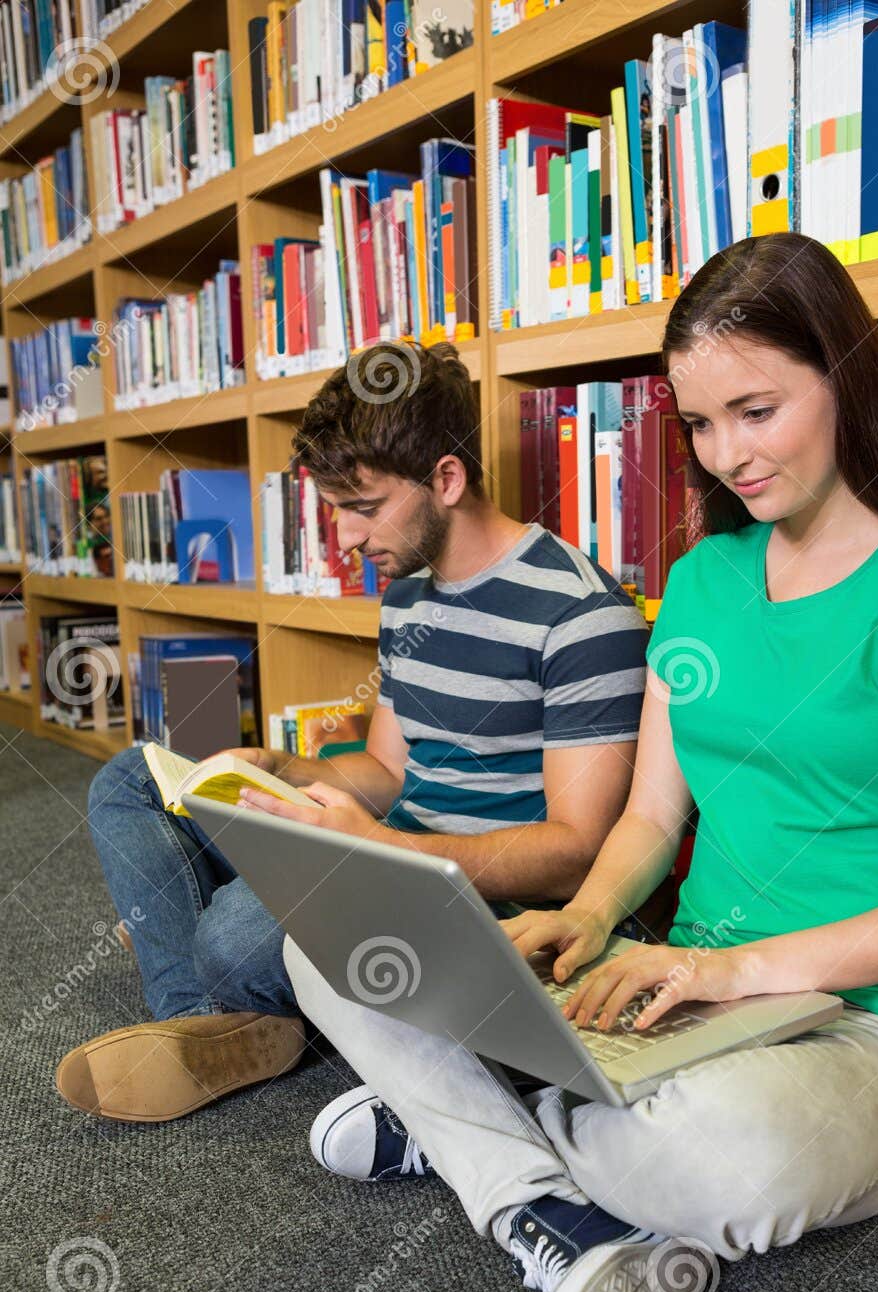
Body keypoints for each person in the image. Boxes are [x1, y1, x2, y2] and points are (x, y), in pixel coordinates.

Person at [279, 232, 878, 1292]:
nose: (725, 454)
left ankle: (465, 1128)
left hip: (867, 1034)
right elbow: (645, 821)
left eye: (755, 409)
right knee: (325, 935)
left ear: (839, 374)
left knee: (727, 1155)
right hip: (673, 993)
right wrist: (585, 920)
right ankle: (554, 1209)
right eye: (696, 423)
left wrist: (735, 975)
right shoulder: (700, 583)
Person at [56, 342, 649, 1124]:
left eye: (363, 508)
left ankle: (204, 1001)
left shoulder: (577, 612)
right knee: (132, 777)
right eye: (336, 509)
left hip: (474, 894)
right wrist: (283, 769)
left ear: (446, 478)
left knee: (234, 934)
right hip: (384, 845)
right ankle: (209, 1013)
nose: (342, 538)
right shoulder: (408, 595)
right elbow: (386, 770)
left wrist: (385, 849)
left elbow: (575, 850)